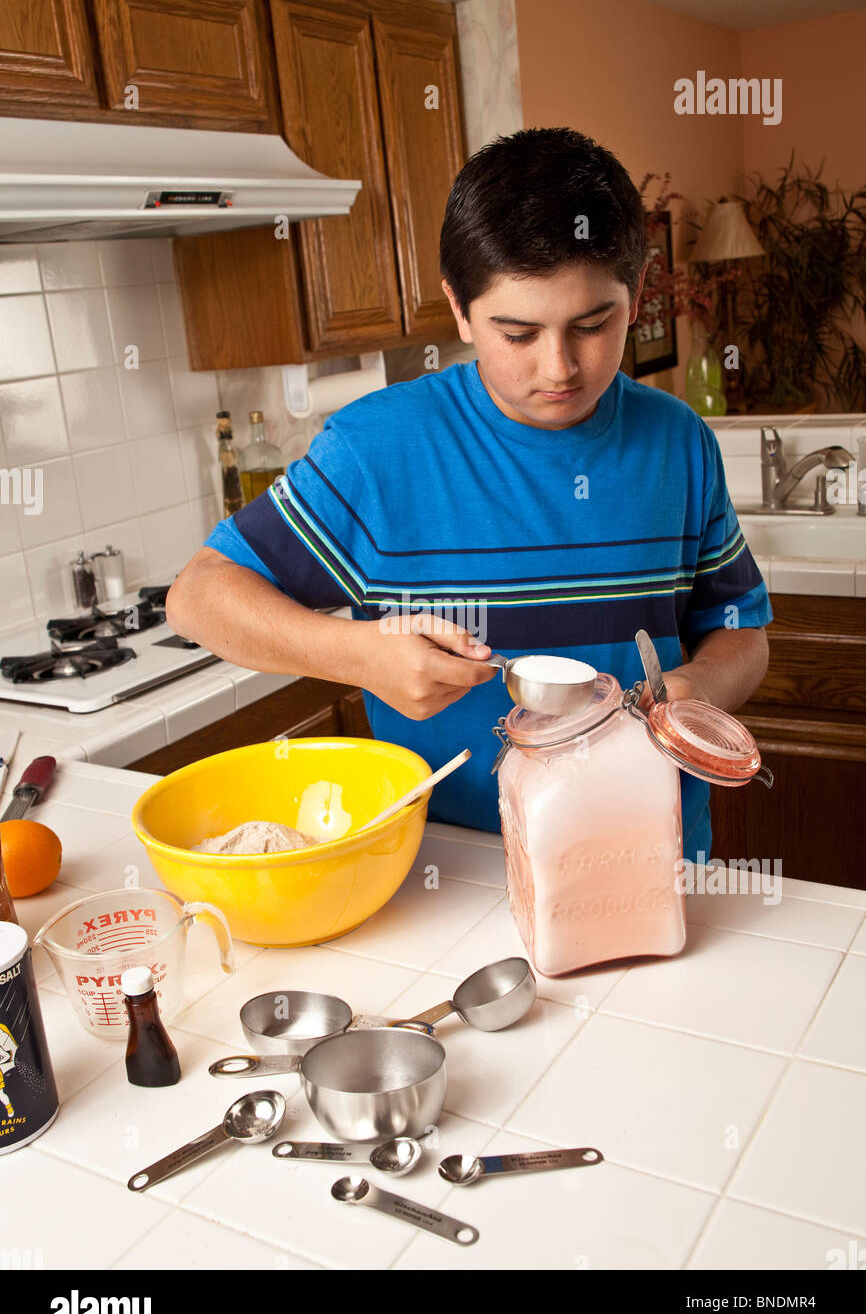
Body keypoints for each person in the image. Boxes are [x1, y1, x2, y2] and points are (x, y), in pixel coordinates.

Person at [166, 127, 770, 861]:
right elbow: (198, 595)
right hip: (451, 879)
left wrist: (686, 693)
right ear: (458, 309)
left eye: (592, 324)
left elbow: (741, 633)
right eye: (517, 333)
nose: (560, 367)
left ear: (637, 294)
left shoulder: (679, 441)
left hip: (656, 855)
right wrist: (362, 654)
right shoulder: (379, 448)